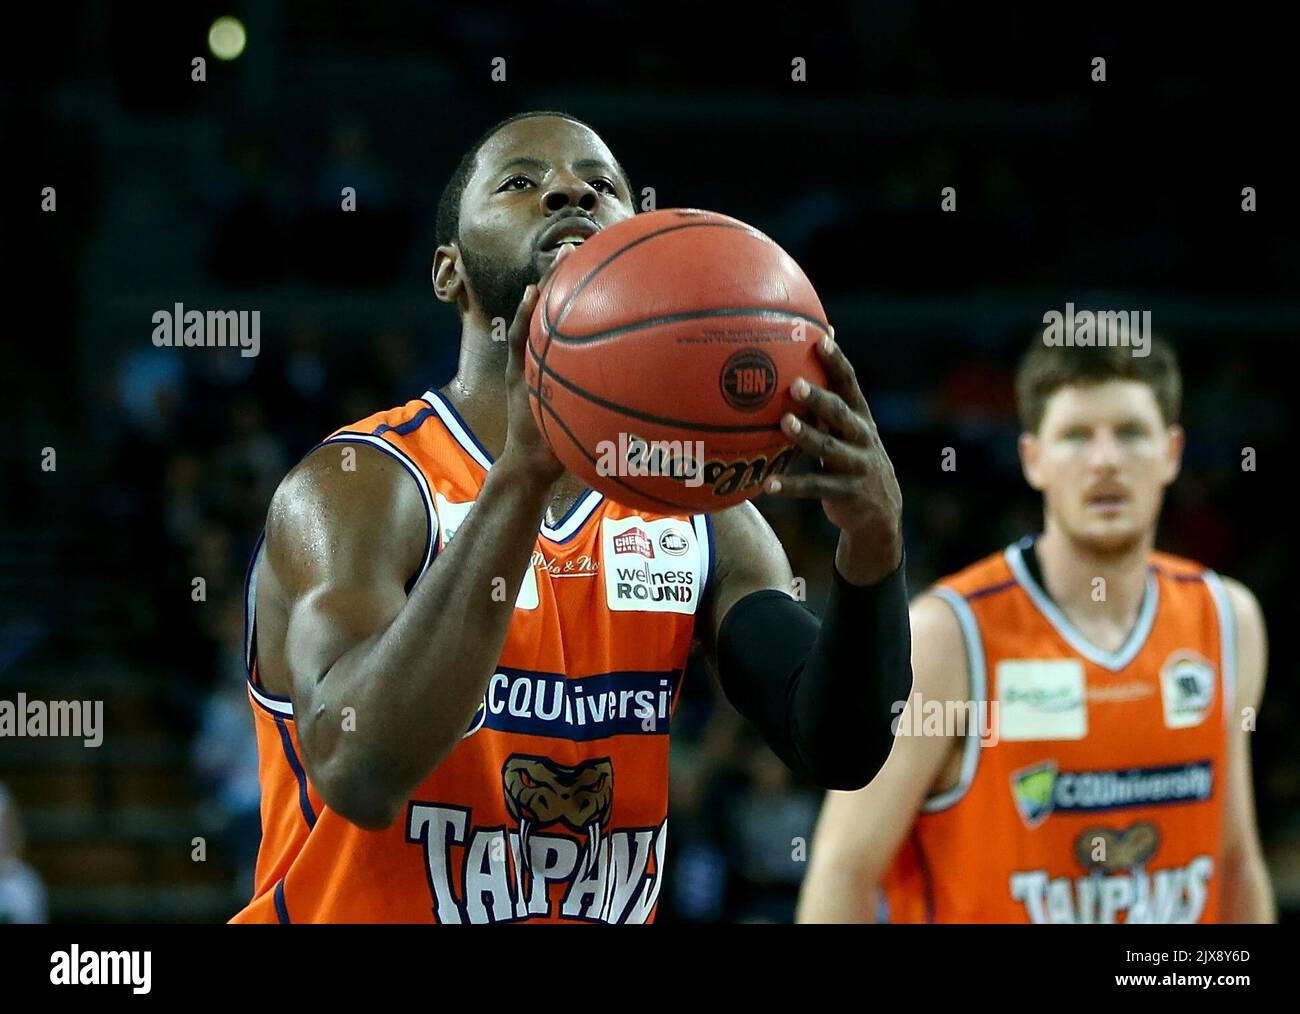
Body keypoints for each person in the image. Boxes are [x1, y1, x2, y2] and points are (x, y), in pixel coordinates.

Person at [230, 110, 911, 923]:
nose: (567, 191)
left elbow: (836, 744)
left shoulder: (695, 510)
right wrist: (523, 475)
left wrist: (873, 550)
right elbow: (360, 771)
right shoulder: (359, 486)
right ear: (448, 273)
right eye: (521, 183)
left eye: (602, 186)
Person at [798, 330, 1275, 924]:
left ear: (1172, 452)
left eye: (1130, 433)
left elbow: (1234, 861)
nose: (1104, 459)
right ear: (1033, 459)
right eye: (1076, 436)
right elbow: (843, 871)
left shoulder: (1228, 620)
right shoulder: (949, 636)